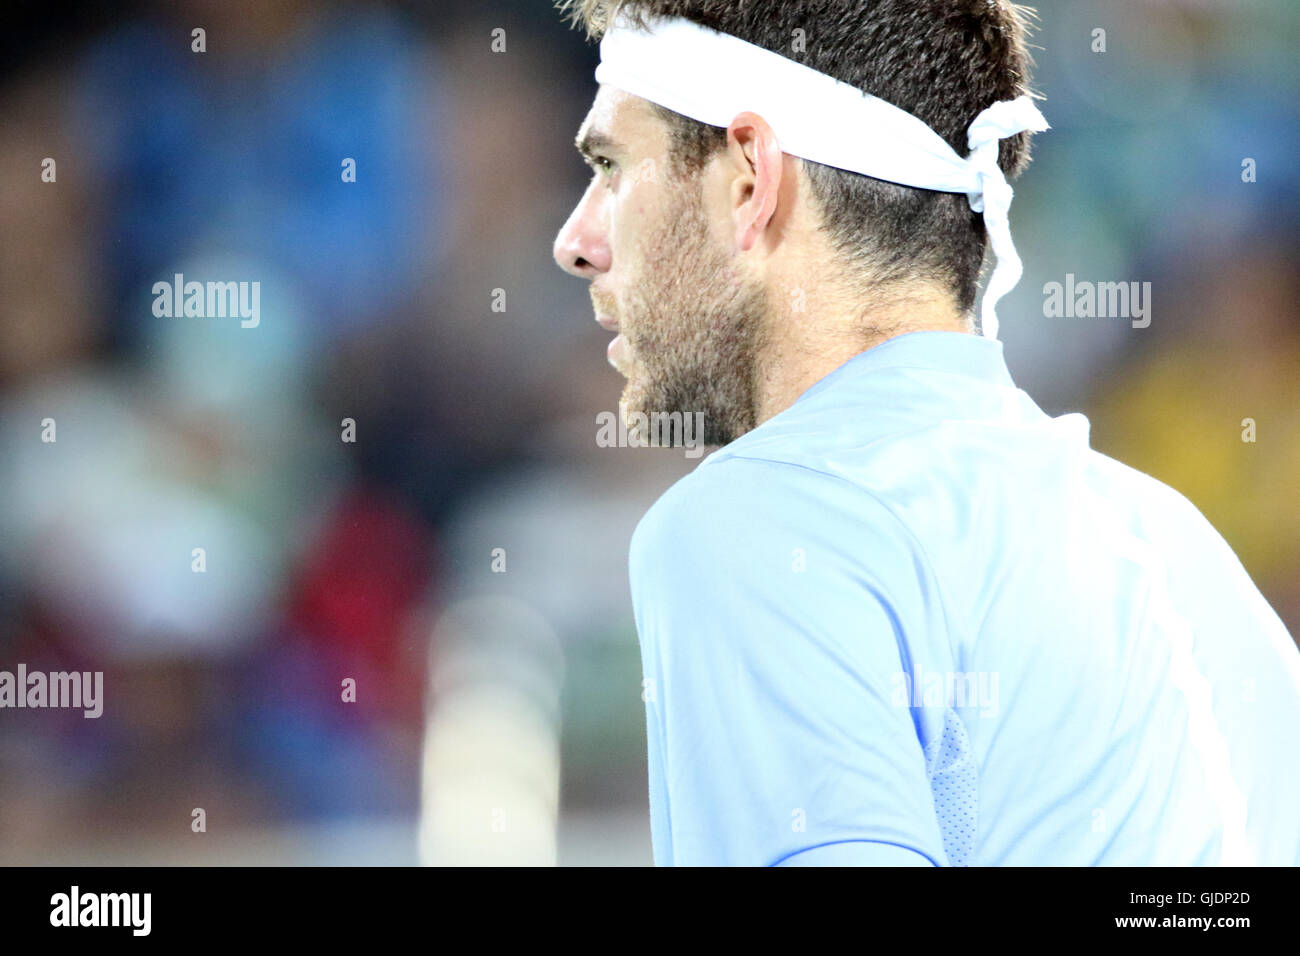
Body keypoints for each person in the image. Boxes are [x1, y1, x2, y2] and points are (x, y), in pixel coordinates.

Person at [551, 0, 1300, 866]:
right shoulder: (1179, 544)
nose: (578, 241)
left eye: (611, 166)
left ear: (749, 177)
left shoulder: (759, 522)